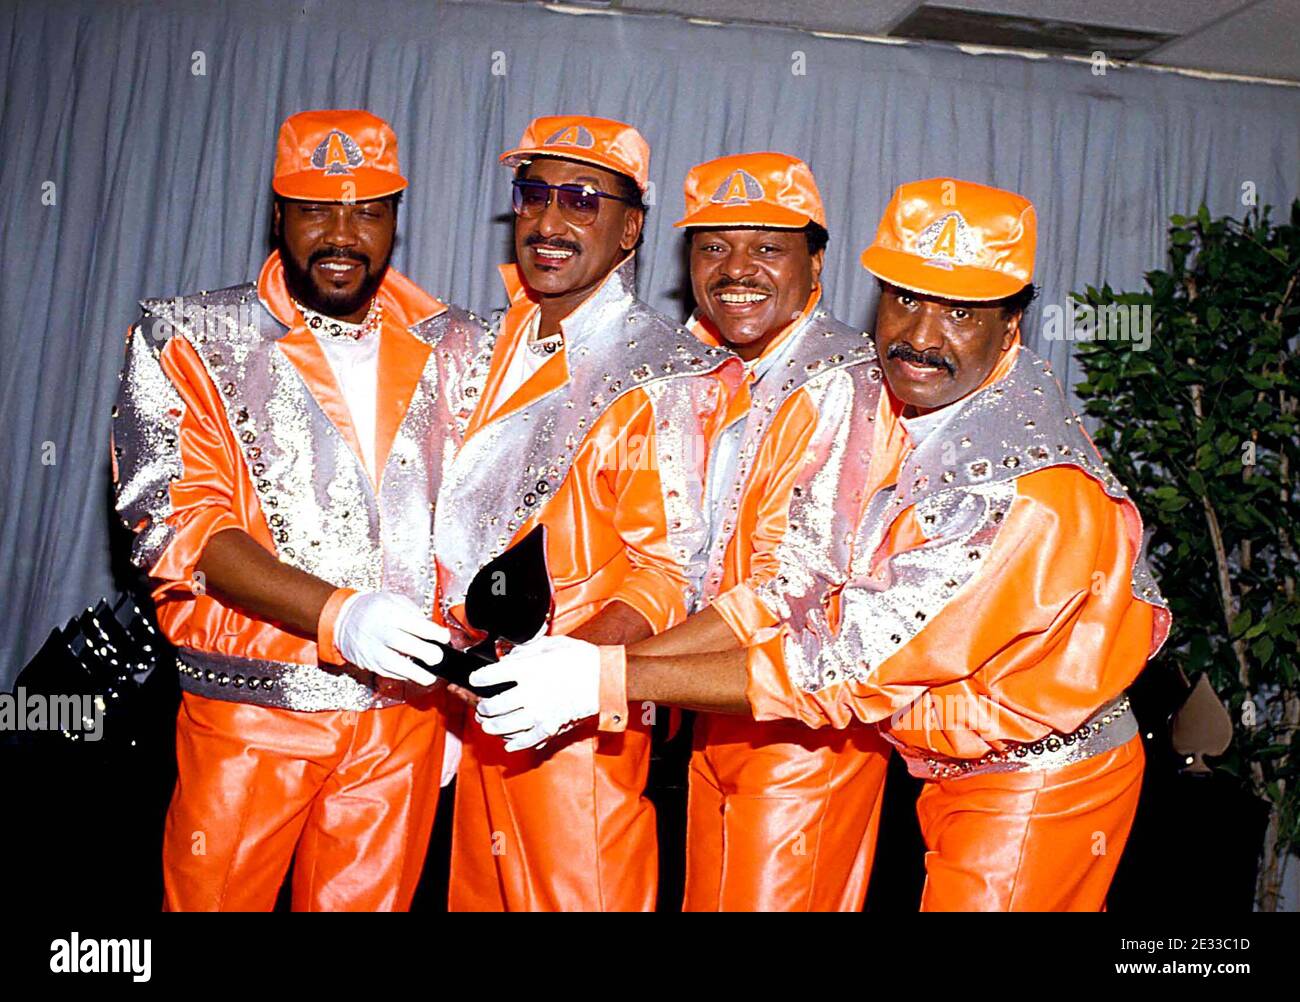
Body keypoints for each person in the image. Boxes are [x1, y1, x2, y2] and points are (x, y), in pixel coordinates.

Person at [471, 177, 1172, 911]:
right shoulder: (950, 401)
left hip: (1035, 781)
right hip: (946, 759)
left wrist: (603, 680)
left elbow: (837, 663)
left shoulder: (1012, 488)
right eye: (905, 299)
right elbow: (790, 586)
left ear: (1013, 323)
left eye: (961, 311)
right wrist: (595, 662)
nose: (921, 336)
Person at [112, 109, 490, 911]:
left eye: (368, 211)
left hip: (404, 721)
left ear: (397, 219)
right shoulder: (190, 335)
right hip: (252, 713)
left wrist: (459, 699)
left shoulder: (462, 346)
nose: (342, 234)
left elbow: (484, 522)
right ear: (277, 213)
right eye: (316, 208)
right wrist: (338, 615)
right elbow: (177, 525)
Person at [440, 115, 741, 911]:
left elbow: (670, 571)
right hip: (477, 703)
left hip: (576, 726)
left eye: (581, 199)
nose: (549, 221)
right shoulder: (485, 344)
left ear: (630, 228)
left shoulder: (662, 370)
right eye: (534, 194)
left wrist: (566, 675)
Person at [630, 152, 890, 911]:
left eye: (768, 247)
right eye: (713, 247)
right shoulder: (702, 370)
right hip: (717, 709)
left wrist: (618, 670)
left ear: (816, 263)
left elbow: (793, 589)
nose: (736, 269)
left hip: (803, 728)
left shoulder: (847, 380)